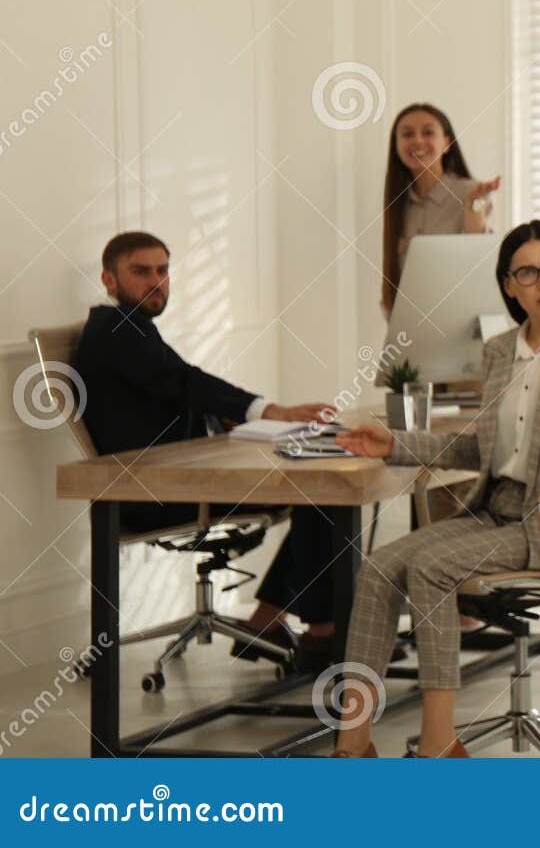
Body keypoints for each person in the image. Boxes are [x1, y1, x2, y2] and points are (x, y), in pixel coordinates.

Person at [332, 221, 540, 757]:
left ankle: (439, 742)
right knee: (378, 568)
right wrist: (393, 444)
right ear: (508, 285)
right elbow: (478, 451)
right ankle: (352, 746)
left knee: (430, 568)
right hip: (496, 511)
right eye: (528, 271)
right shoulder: (498, 352)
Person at [73, 231, 343, 665]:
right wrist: (268, 409)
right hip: (156, 492)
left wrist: (232, 417)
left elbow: (171, 388)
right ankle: (319, 635)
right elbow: (184, 382)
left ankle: (272, 625)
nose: (156, 282)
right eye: (141, 272)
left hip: (178, 475)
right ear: (109, 279)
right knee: (326, 492)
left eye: (163, 271)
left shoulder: (130, 329)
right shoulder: (117, 330)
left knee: (323, 487)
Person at [380, 102, 501, 316]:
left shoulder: (472, 192)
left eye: (428, 132)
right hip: (410, 323)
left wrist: (474, 205)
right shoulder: (398, 202)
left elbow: (477, 256)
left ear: (446, 143)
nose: (417, 140)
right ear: (396, 146)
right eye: (407, 134)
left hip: (462, 317)